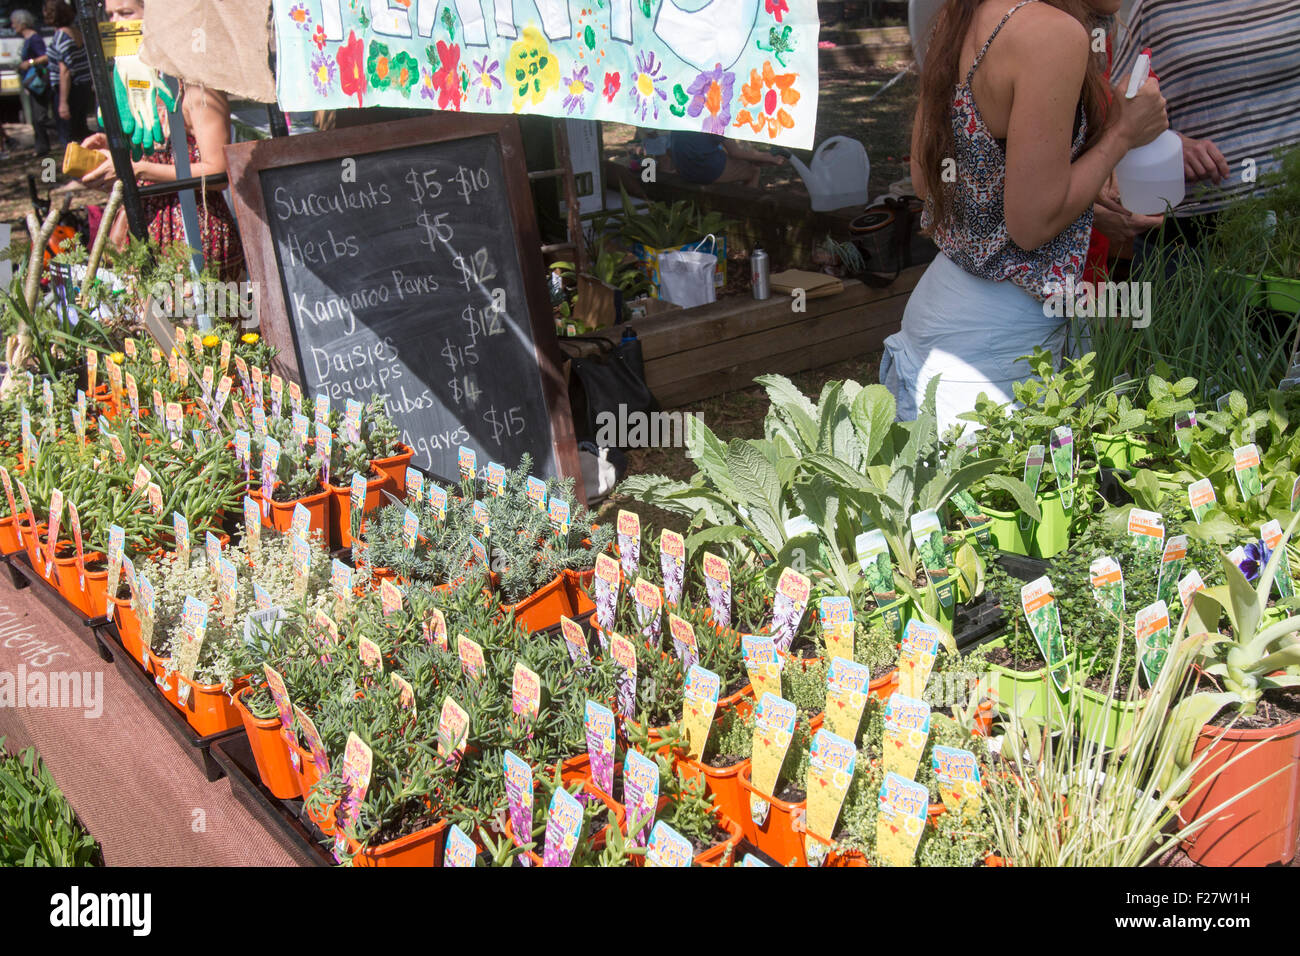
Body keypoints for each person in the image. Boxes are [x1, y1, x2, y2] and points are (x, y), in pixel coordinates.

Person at [879, 0, 1167, 433]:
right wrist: (1123, 134)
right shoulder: (1054, 34)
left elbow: (930, 180)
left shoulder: (963, 15)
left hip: (941, 322)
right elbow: (1030, 226)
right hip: (999, 357)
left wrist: (1078, 203)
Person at [1112, 0, 1300, 252]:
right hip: (1192, 231)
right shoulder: (1155, 7)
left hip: (1291, 212)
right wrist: (1168, 142)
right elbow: (1115, 105)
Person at [79, 0, 244, 281]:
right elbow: (155, 151)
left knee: (206, 321)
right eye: (110, 15)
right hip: (144, 230)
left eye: (126, 13)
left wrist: (139, 170)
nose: (116, 23)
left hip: (194, 234)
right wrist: (111, 151)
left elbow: (217, 173)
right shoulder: (135, 83)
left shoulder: (197, 85)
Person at [44, 0, 94, 147]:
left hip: (68, 89)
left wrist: (63, 103)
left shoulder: (60, 36)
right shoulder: (77, 32)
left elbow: (65, 71)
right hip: (82, 87)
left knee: (68, 135)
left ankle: (72, 167)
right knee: (80, 130)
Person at [12, 8, 57, 156]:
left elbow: (45, 57)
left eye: (14, 23)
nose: (12, 26)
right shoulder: (26, 40)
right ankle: (41, 147)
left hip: (39, 82)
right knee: (35, 119)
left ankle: (66, 128)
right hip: (30, 83)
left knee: (40, 117)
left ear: (23, 23)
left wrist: (29, 63)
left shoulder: (35, 39)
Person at [668, 130, 784, 187]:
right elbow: (735, 152)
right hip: (701, 171)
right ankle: (747, 212)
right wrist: (768, 156)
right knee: (754, 170)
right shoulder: (713, 114)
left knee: (741, 155)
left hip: (683, 168)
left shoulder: (683, 111)